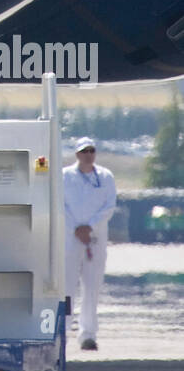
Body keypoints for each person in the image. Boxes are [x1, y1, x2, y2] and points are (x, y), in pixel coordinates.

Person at [63, 136, 117, 351]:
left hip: (95, 239)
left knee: (92, 287)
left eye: (91, 151)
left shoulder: (105, 176)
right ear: (77, 154)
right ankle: (63, 331)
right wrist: (76, 228)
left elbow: (109, 206)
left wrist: (90, 227)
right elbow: (60, 205)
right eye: (84, 151)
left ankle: (88, 334)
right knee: (66, 287)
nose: (88, 155)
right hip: (70, 238)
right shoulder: (64, 176)